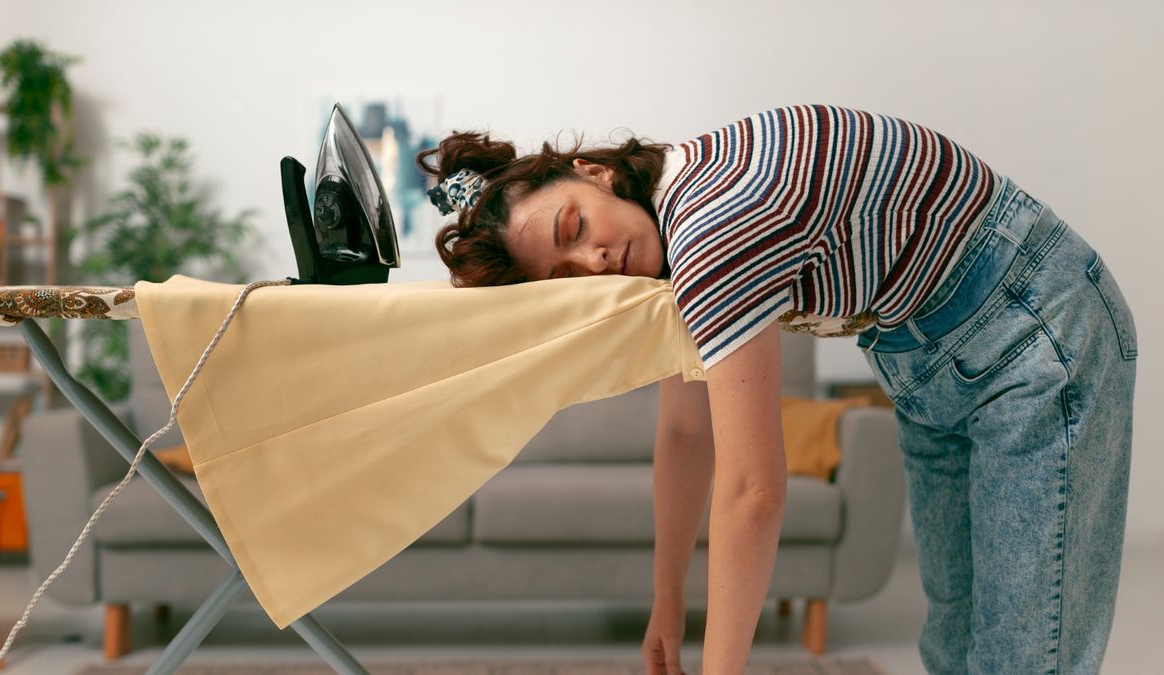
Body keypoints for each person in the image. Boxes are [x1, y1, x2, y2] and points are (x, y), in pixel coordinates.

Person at [416, 104, 1137, 675]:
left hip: (1031, 323)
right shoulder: (671, 234)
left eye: (574, 226)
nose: (594, 259)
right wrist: (667, 603)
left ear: (594, 172)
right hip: (927, 355)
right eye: (567, 275)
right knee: (953, 644)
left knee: (1024, 653)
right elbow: (685, 431)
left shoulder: (709, 225)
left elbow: (753, 489)